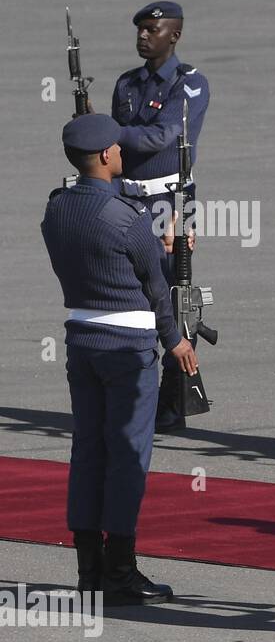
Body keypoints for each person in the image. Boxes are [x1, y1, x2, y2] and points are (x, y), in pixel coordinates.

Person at [42, 114, 197, 605]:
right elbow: (155, 285)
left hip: (81, 338)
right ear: (108, 155)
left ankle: (89, 569)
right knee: (128, 456)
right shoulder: (126, 216)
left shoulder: (57, 209)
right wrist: (176, 339)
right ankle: (121, 571)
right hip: (127, 348)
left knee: (88, 451)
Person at [106, 1, 210, 433]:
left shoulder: (191, 85)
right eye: (141, 29)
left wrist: (108, 131)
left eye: (153, 29)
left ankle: (174, 400)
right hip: (126, 199)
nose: (144, 36)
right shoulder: (126, 84)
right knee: (129, 297)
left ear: (175, 35)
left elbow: (161, 137)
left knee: (170, 302)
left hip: (170, 205)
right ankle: (135, 395)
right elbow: (114, 154)